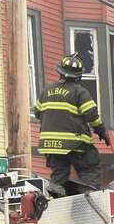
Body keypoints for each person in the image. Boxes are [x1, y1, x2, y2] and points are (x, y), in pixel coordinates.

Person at [34, 54, 109, 196]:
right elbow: (91, 115)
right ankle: (88, 190)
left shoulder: (46, 91)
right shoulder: (79, 92)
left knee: (59, 170)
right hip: (74, 143)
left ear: (60, 72)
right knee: (90, 167)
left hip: (49, 144)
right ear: (78, 76)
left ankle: (56, 187)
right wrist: (101, 131)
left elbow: (38, 113)